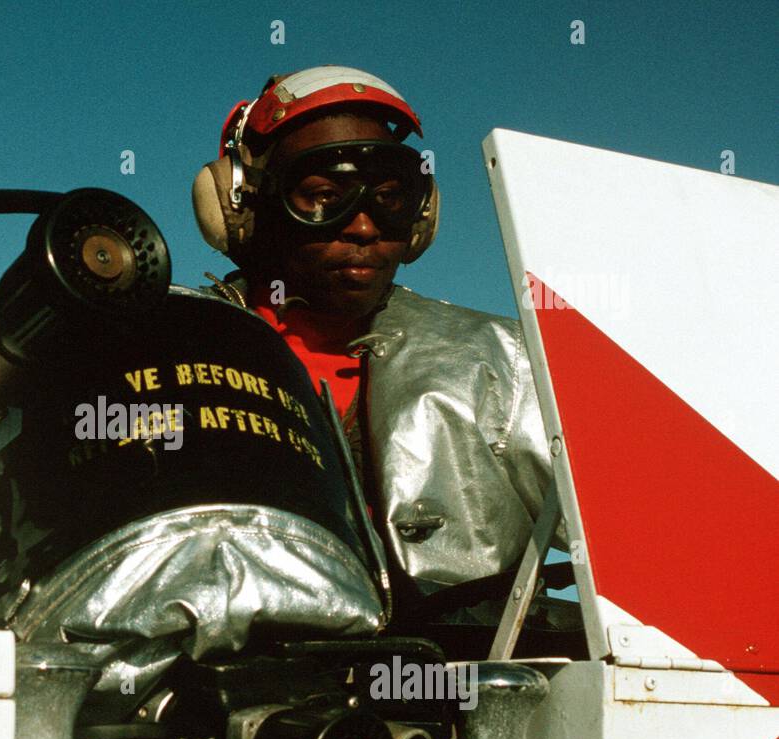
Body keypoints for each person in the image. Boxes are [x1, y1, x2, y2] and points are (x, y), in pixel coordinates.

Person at [192, 66, 558, 614]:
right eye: (323, 195)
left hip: (466, 681)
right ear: (242, 203)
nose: (363, 227)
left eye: (390, 197)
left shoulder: (501, 360)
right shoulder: (176, 349)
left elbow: (629, 527)